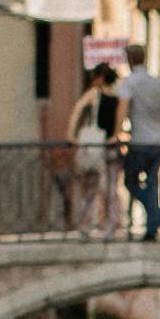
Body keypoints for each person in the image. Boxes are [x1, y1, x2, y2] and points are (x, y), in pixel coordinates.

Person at [122, 53, 160, 241]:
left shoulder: (129, 82)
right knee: (152, 184)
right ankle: (158, 221)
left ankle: (158, 219)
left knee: (131, 182)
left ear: (130, 60)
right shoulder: (158, 83)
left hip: (139, 141)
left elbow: (123, 107)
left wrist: (118, 132)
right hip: (157, 141)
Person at [65, 62, 122, 233]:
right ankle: (111, 226)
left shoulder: (94, 94)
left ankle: (85, 226)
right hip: (110, 145)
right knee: (111, 189)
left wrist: (70, 135)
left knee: (90, 188)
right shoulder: (118, 95)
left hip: (94, 144)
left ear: (100, 77)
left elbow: (77, 109)